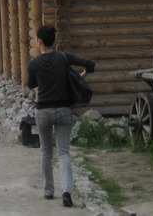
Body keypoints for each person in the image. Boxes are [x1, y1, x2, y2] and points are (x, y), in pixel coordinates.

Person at [27, 25, 95, 208]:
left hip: (43, 112)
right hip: (64, 110)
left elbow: (30, 84)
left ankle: (49, 191)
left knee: (46, 152)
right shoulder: (63, 57)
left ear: (39, 41)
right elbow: (89, 63)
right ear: (54, 41)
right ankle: (66, 192)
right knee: (64, 152)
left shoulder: (33, 63)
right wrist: (81, 77)